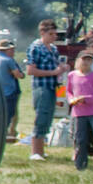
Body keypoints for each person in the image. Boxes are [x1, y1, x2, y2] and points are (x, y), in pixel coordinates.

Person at [25, 19, 68, 161]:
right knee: (41, 117)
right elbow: (31, 70)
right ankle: (35, 152)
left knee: (48, 117)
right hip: (41, 87)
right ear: (42, 32)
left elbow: (56, 69)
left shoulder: (54, 49)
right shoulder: (36, 47)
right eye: (51, 34)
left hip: (52, 87)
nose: (54, 37)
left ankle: (41, 151)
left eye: (55, 34)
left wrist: (62, 69)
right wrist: (54, 72)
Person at [0, 38, 23, 143]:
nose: (13, 52)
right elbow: (18, 74)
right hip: (10, 91)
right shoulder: (9, 60)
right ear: (6, 50)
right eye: (12, 50)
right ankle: (5, 135)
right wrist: (22, 75)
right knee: (9, 114)